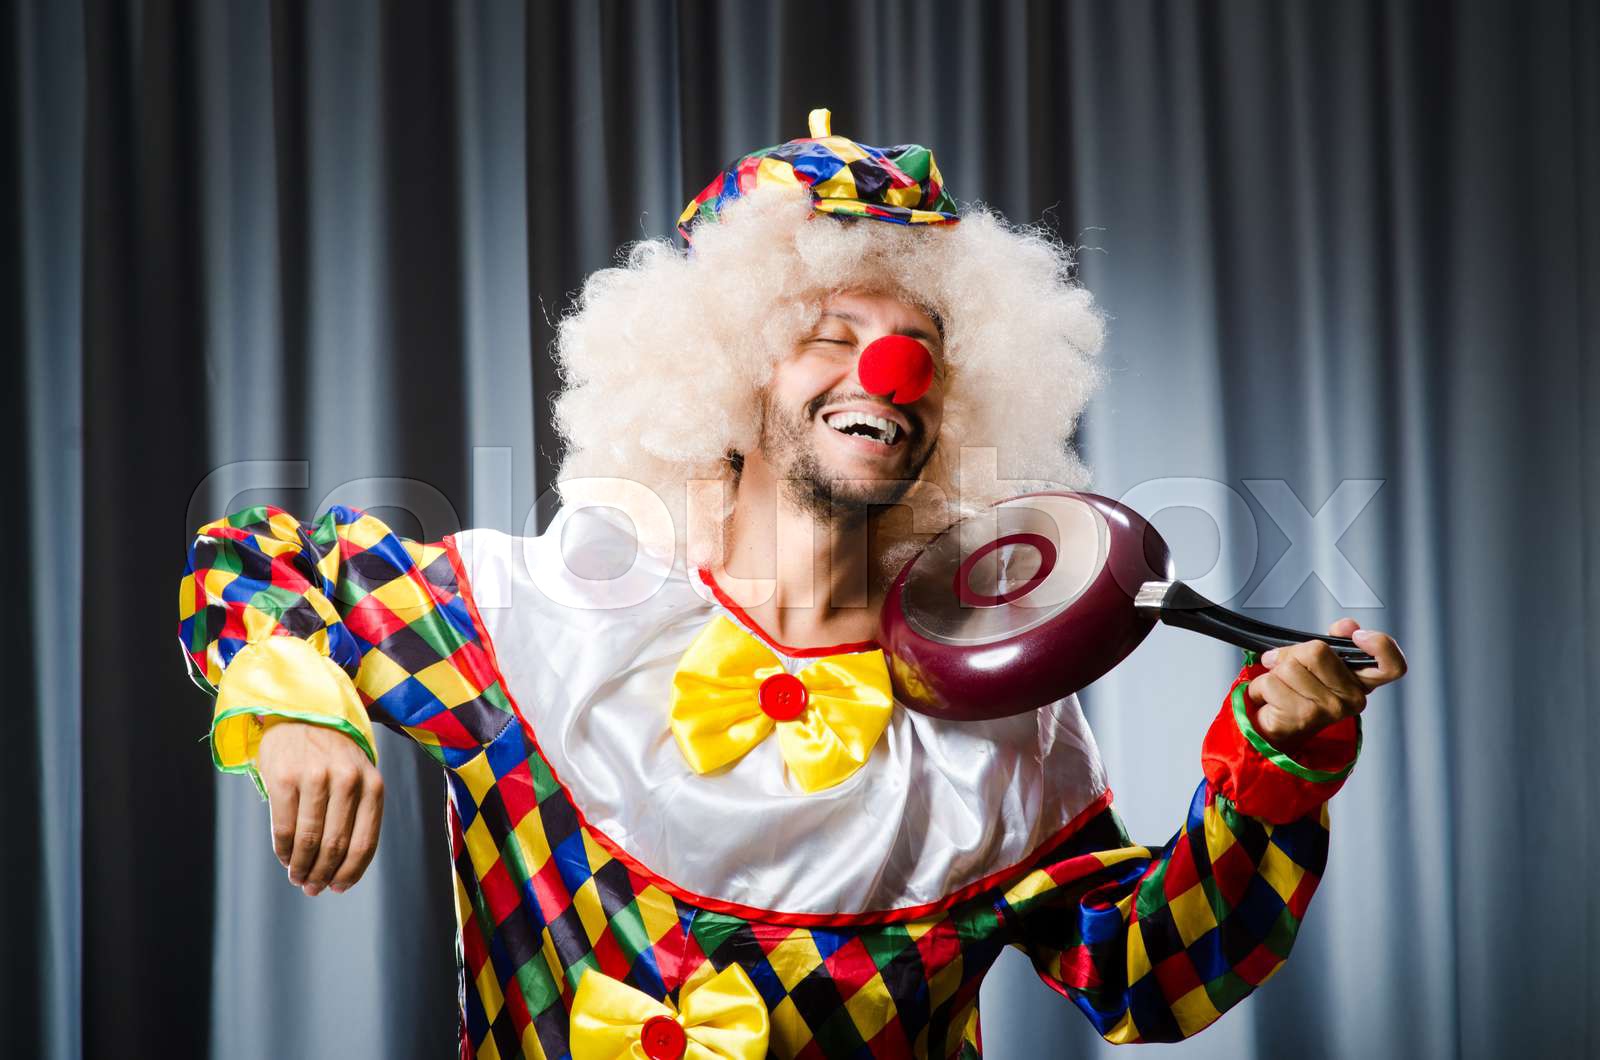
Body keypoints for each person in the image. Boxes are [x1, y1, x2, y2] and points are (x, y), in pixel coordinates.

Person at [178, 109, 1406, 1060]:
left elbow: (1151, 974)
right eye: (827, 329)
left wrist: (1275, 767)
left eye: (919, 342)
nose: (884, 365)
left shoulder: (1007, 725)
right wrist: (292, 700)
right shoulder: (524, 627)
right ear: (723, 368)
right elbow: (257, 556)